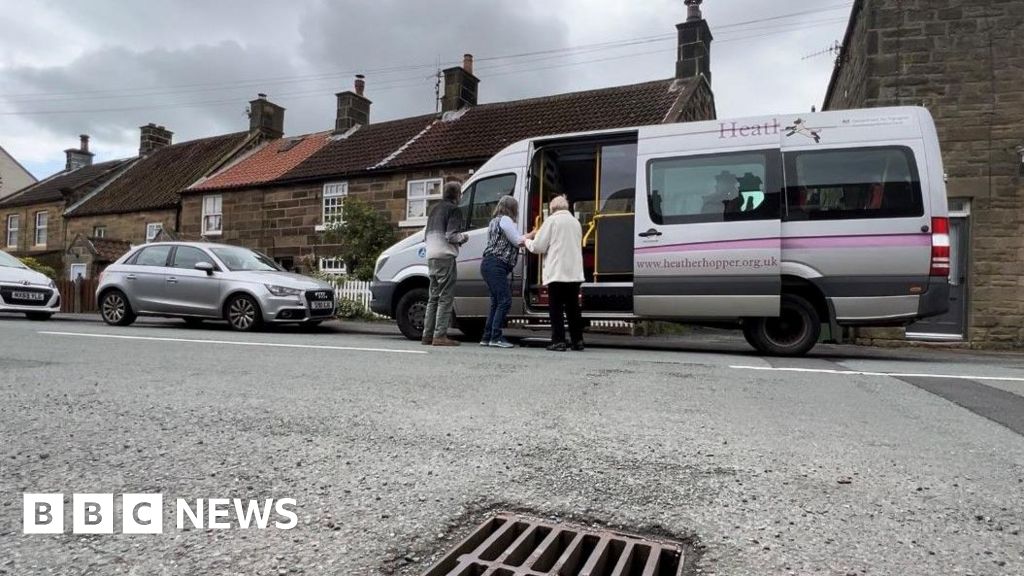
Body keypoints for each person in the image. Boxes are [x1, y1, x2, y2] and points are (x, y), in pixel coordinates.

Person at [524, 195, 585, 351]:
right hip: (574, 272)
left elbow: (539, 246)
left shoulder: (552, 221)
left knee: (556, 308)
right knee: (573, 308)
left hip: (557, 272)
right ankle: (577, 340)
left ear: (552, 209)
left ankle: (558, 340)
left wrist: (526, 242)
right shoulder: (576, 222)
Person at [422, 181, 468, 346]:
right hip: (445, 256)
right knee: (445, 297)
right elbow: (451, 236)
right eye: (460, 193)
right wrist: (464, 237)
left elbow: (425, 235)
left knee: (433, 297)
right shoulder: (454, 210)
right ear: (457, 195)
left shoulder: (434, 209)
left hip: (431, 255)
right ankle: (440, 335)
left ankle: (427, 335)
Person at [480, 196, 525, 348]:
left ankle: (487, 337)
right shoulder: (506, 220)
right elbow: (517, 240)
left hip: (488, 263)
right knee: (505, 300)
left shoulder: (493, 221)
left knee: (496, 302)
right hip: (497, 264)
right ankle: (496, 337)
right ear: (512, 208)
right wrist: (533, 235)